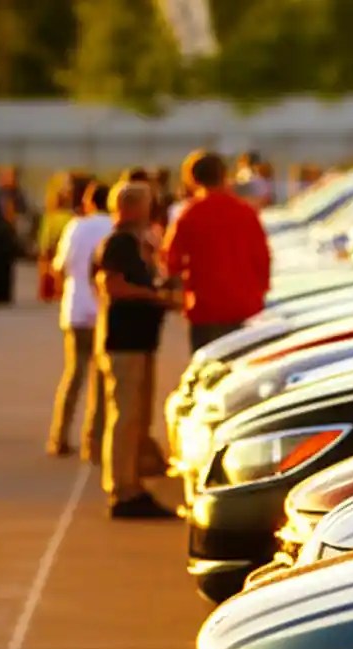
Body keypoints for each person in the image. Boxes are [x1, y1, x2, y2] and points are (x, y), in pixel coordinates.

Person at [94, 181, 176, 519]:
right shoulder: (119, 242)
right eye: (144, 204)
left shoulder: (138, 242)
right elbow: (113, 286)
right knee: (125, 416)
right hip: (124, 342)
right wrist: (153, 297)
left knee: (136, 416)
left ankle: (132, 479)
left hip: (139, 340)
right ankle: (122, 487)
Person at [163, 151, 271, 353]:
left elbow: (171, 260)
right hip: (243, 306)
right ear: (223, 174)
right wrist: (260, 291)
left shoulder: (188, 214)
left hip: (205, 307)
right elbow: (262, 257)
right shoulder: (245, 211)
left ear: (192, 179)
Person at [46, 182, 112, 460]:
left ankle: (59, 436)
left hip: (76, 307)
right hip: (104, 310)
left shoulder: (76, 227)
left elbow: (59, 267)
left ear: (88, 203)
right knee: (100, 378)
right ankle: (93, 442)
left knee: (73, 374)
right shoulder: (113, 227)